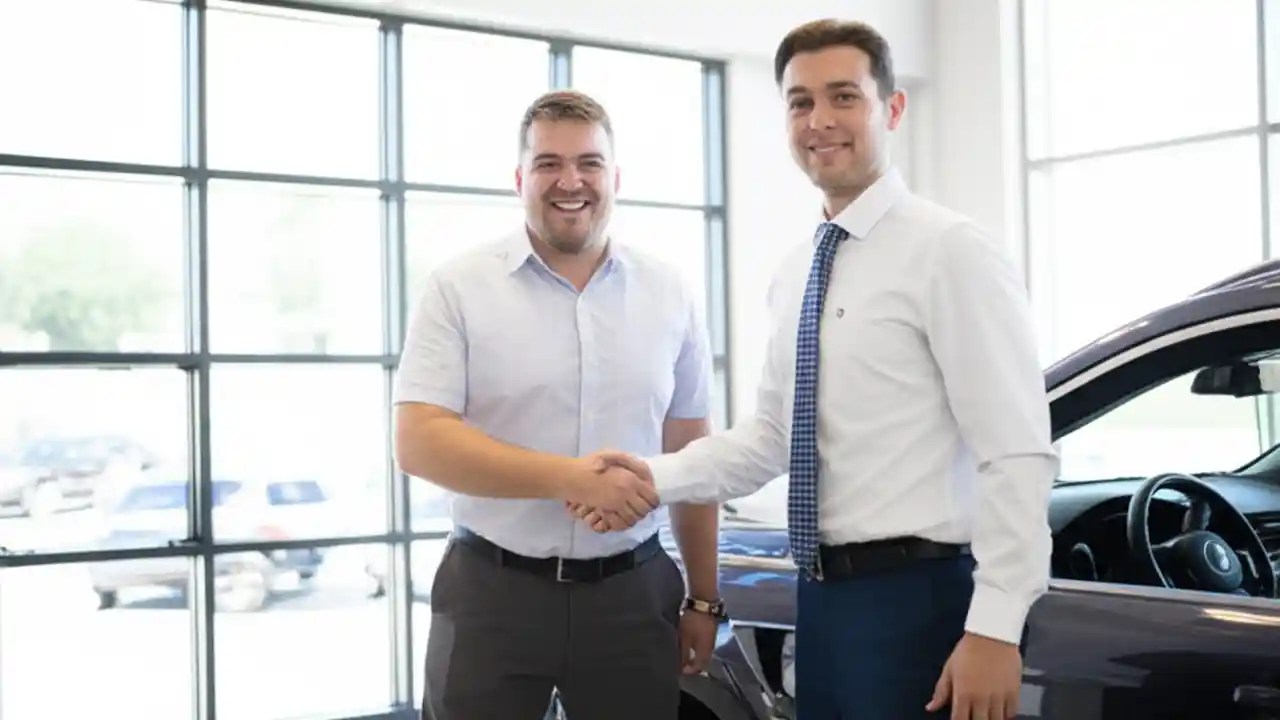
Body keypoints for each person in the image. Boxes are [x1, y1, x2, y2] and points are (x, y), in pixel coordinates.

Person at [572, 18, 1056, 720]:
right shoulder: (799, 269)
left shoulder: (950, 251)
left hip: (922, 598)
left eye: (843, 97)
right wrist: (652, 475)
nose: (819, 120)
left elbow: (1016, 450)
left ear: (891, 108)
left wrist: (995, 627)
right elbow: (772, 437)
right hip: (824, 602)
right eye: (800, 102)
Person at [391, 89, 723, 720]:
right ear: (520, 179)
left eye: (589, 163)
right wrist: (567, 480)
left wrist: (704, 599)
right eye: (548, 163)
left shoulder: (670, 291)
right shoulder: (457, 288)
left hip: (632, 594)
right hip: (491, 593)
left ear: (614, 178)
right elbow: (419, 438)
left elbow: (692, 451)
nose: (570, 181)